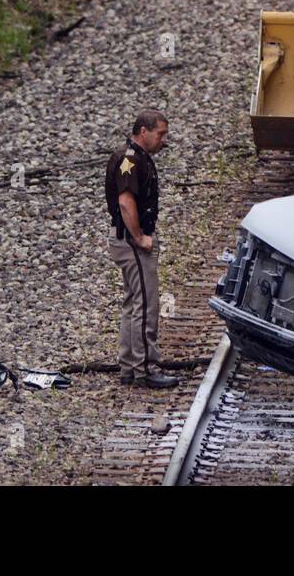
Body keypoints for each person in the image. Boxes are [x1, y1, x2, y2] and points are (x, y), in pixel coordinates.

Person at [104, 110, 177, 388]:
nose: (164, 140)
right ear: (143, 131)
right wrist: (139, 237)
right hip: (131, 241)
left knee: (133, 303)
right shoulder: (130, 160)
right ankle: (146, 369)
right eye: (160, 134)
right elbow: (125, 202)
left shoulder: (133, 157)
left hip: (125, 240)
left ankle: (129, 367)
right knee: (146, 304)